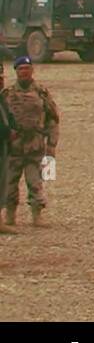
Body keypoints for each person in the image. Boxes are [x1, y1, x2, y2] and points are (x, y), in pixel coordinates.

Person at [2, 56, 59, 228]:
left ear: (32, 70)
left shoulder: (42, 93)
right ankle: (10, 216)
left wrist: (52, 145)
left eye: (27, 69)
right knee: (9, 183)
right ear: (16, 72)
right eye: (21, 69)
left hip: (35, 146)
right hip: (13, 148)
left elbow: (53, 119)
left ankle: (37, 216)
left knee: (36, 182)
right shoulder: (7, 94)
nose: (24, 72)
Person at [0, 65, 16, 235]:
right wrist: (7, 131)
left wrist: (13, 128)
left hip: (4, 147)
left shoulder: (2, 98)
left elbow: (8, 118)